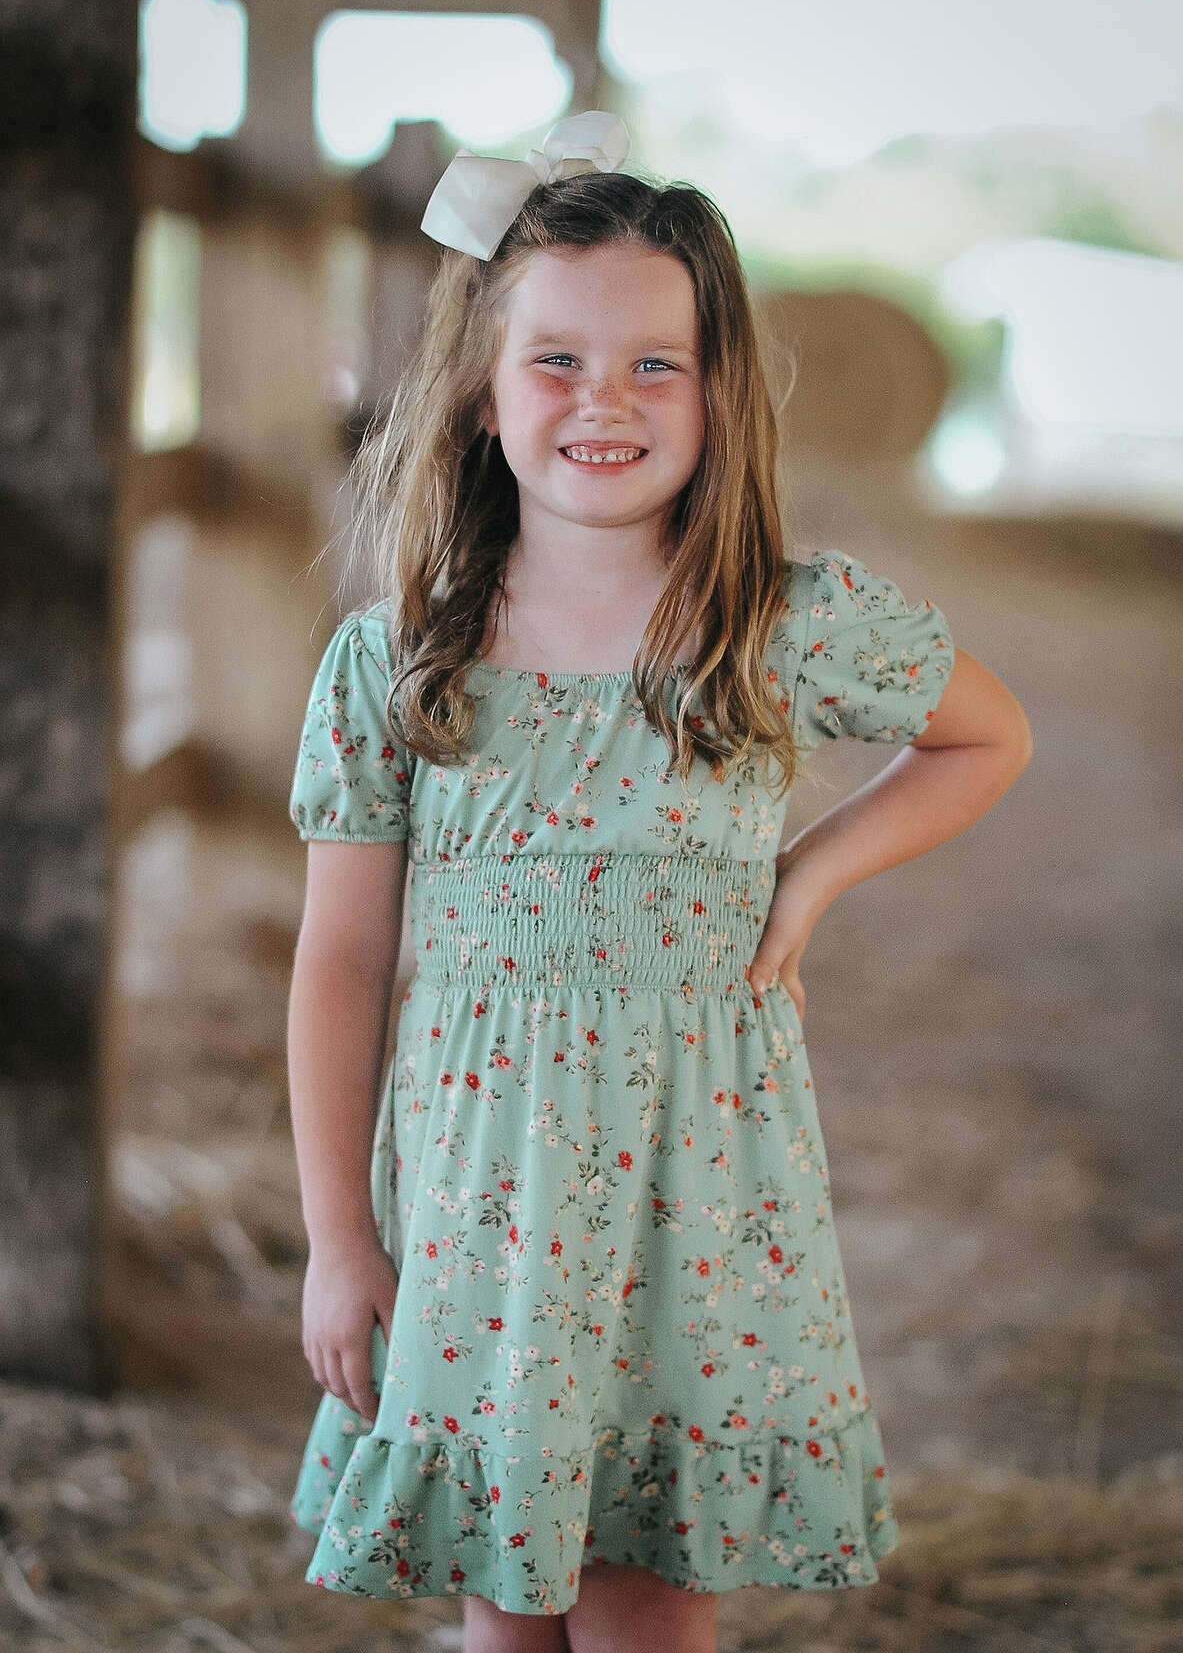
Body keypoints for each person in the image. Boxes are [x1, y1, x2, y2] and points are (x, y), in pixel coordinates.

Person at [284, 110, 1033, 1653]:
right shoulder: (400, 663)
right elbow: (343, 960)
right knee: (507, 1603)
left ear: (718, 392)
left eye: (654, 363)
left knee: (647, 1602)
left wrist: (812, 876)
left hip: (699, 1215)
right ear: (484, 396)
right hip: (481, 1216)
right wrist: (337, 1240)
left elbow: (987, 737)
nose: (603, 401)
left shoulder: (776, 623)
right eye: (555, 359)